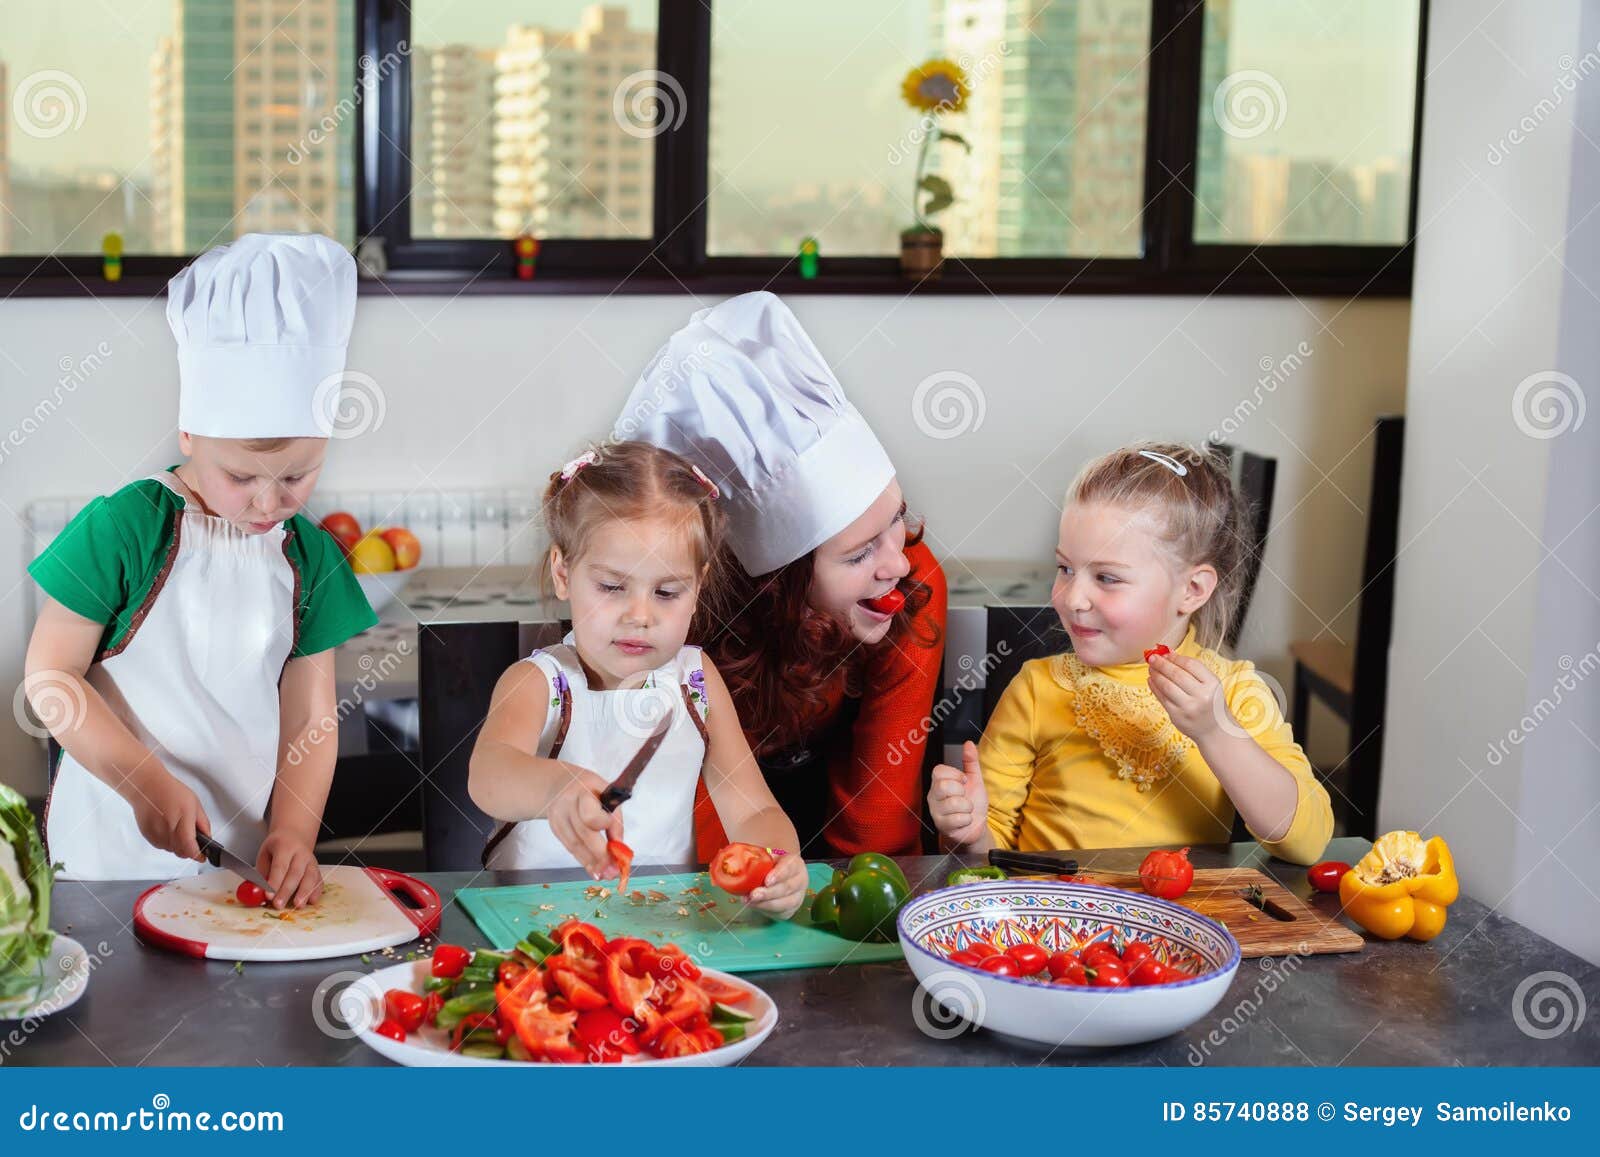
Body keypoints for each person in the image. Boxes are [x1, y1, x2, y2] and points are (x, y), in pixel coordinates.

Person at [26, 233, 376, 904]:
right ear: (188, 433)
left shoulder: (311, 558)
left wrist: (295, 830)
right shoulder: (128, 527)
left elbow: (311, 722)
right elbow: (50, 677)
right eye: (242, 476)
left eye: (298, 474)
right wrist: (146, 784)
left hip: (233, 867)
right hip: (103, 864)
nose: (270, 503)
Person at [929, 442, 1333, 865]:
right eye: (1065, 568)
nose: (1074, 598)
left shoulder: (1234, 692)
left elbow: (1307, 841)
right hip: (1055, 921)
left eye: (1106, 577)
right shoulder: (1037, 688)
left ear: (1192, 590)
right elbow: (988, 850)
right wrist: (968, 830)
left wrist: (1215, 731)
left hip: (1177, 926)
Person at [469, 440, 808, 919]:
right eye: (611, 587)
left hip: (664, 925)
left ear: (698, 589)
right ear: (563, 573)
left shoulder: (696, 681)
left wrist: (775, 868)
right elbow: (489, 776)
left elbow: (753, 809)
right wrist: (557, 787)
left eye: (667, 592)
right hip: (531, 926)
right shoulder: (540, 683)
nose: (640, 615)